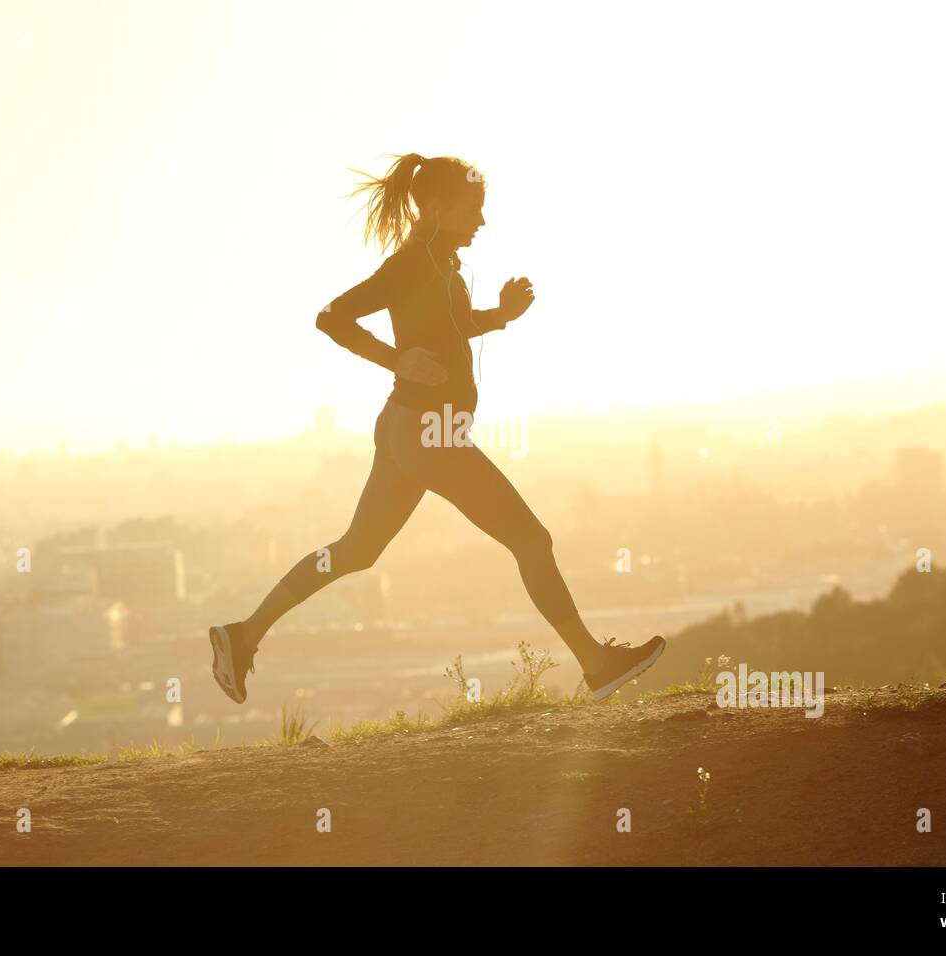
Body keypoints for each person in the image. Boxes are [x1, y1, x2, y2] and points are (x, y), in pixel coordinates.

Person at [210, 153, 664, 705]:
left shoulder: (440, 263)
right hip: (430, 433)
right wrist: (395, 359)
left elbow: (448, 331)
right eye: (473, 208)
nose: (482, 221)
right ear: (436, 207)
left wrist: (500, 315)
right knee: (531, 540)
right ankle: (596, 664)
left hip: (409, 430)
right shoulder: (413, 265)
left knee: (355, 551)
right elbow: (331, 316)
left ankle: (243, 635)